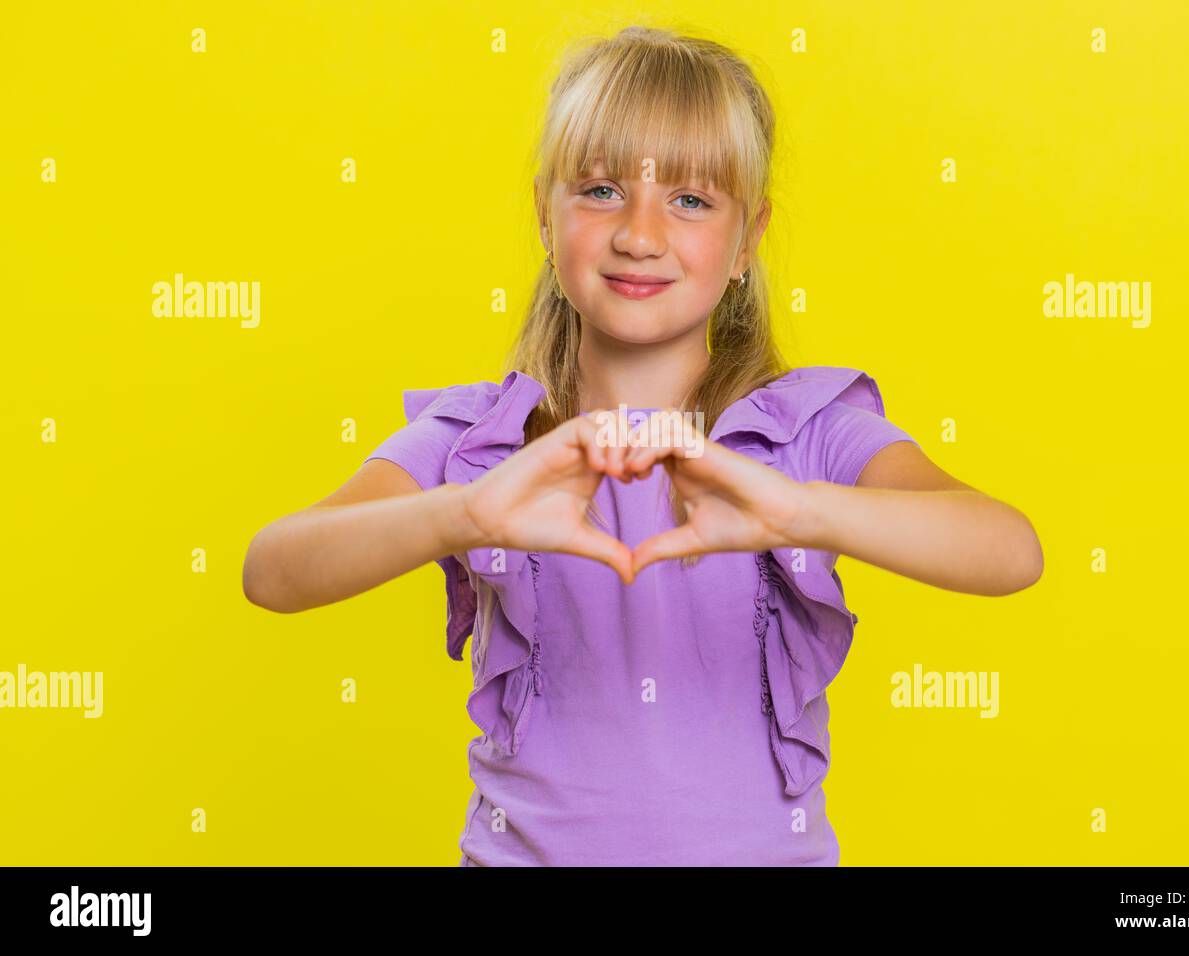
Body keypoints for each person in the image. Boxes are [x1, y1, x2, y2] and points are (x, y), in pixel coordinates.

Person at [242, 24, 1043, 866]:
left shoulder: (804, 430)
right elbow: (274, 569)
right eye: (598, 190)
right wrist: (465, 514)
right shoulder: (482, 439)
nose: (640, 233)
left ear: (747, 241)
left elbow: (1008, 549)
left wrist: (799, 510)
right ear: (545, 219)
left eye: (692, 201)